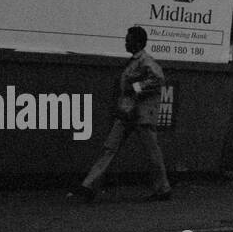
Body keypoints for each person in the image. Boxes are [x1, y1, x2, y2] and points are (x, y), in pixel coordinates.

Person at [69, 26, 171, 202]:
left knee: (149, 152)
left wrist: (136, 88)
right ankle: (88, 186)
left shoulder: (145, 61)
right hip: (130, 113)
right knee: (111, 147)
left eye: (128, 39)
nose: (125, 42)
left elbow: (158, 79)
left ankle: (163, 188)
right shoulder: (137, 61)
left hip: (140, 115)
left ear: (137, 42)